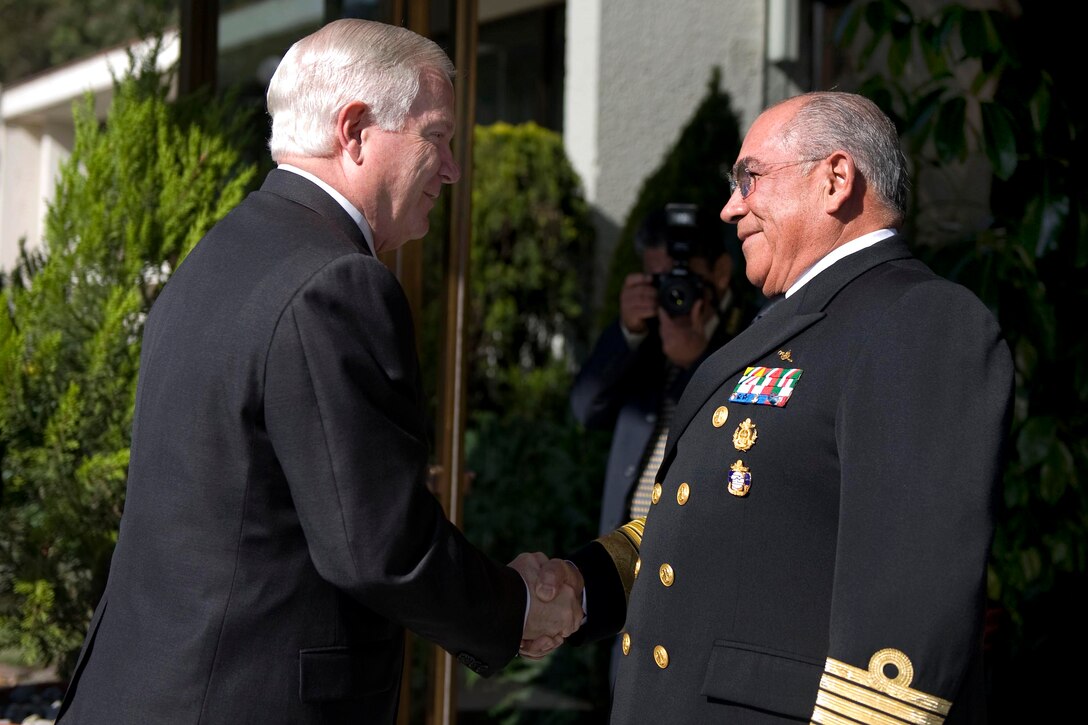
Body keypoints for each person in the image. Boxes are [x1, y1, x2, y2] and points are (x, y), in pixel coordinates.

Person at [56, 19, 581, 725]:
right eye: (438, 137)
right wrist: (516, 605)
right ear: (356, 130)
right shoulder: (337, 283)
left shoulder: (218, 256)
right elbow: (377, 545)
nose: (453, 168)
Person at [533, 91, 1015, 724]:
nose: (731, 208)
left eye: (749, 178)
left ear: (836, 179)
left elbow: (908, 605)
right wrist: (583, 583)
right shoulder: (792, 326)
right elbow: (706, 526)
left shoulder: (918, 321)